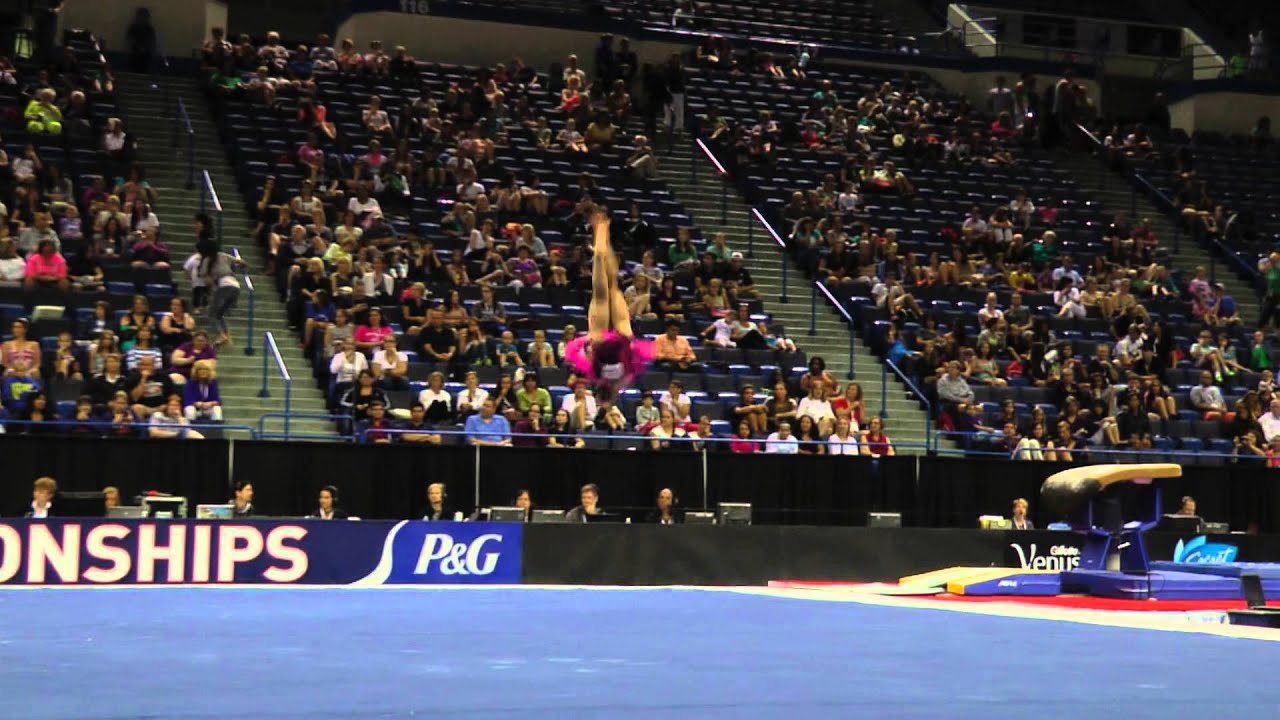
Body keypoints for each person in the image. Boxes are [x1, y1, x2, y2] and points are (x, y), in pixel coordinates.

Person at [563, 211, 654, 402]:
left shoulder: (616, 381)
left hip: (618, 339)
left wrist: (587, 344)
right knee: (605, 291)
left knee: (610, 288)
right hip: (606, 341)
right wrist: (587, 342)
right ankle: (600, 246)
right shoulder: (602, 379)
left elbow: (630, 363)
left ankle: (601, 243)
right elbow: (581, 357)